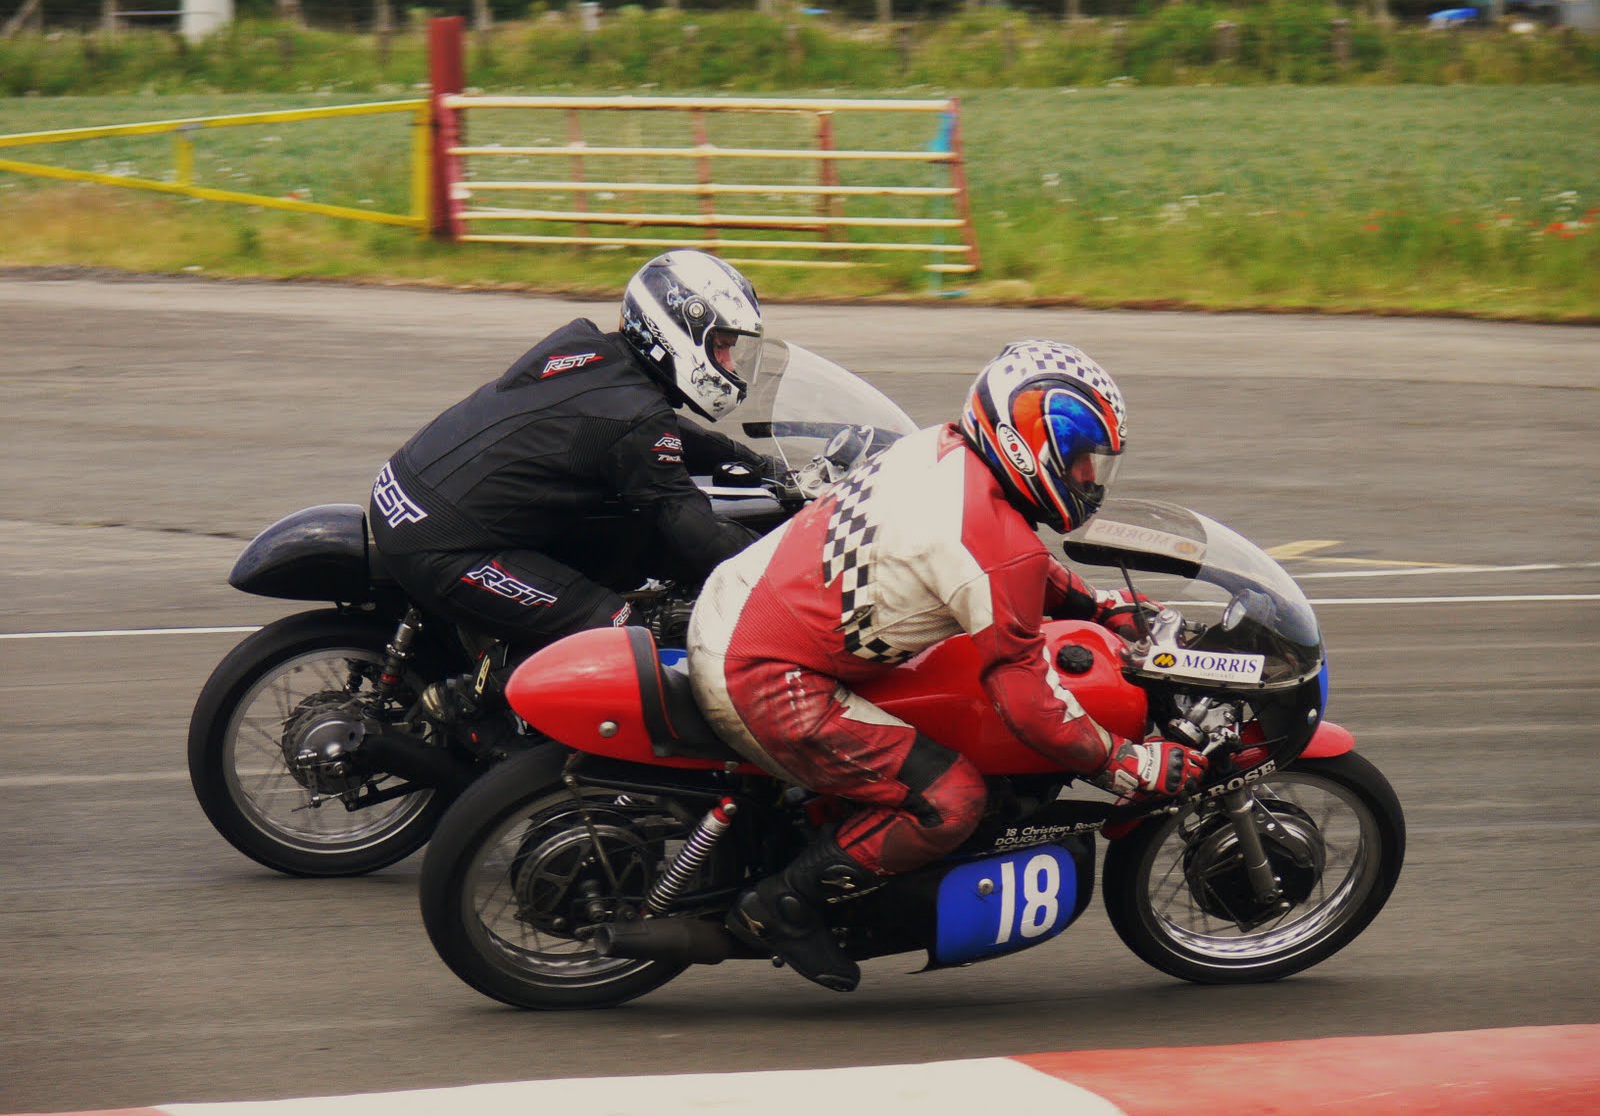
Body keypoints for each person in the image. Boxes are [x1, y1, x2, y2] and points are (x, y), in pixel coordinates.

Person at [686, 338, 1209, 992]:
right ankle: (784, 905)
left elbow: (1007, 567)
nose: (1088, 482)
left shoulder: (944, 450)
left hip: (739, 603)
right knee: (952, 799)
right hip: (764, 675)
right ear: (1030, 447)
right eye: (1078, 463)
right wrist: (1125, 762)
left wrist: (1101, 604)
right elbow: (1027, 700)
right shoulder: (996, 543)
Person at [368, 250, 770, 721]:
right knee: (618, 632)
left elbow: (666, 432)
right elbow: (688, 524)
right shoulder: (636, 417)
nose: (728, 362)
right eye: (721, 346)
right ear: (679, 330)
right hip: (445, 547)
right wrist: (768, 566)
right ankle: (472, 709)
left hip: (404, 495)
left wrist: (750, 460)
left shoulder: (588, 351)